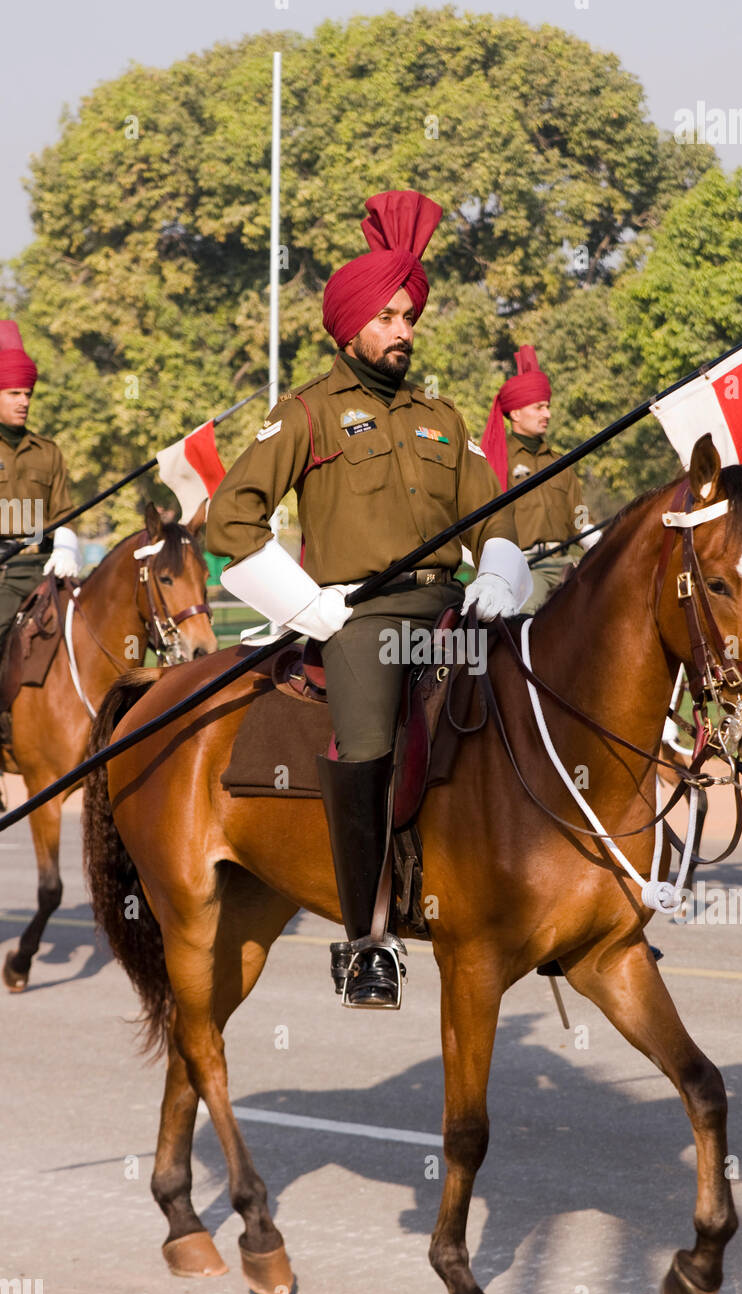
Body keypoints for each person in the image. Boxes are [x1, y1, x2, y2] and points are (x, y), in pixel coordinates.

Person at [207, 190, 530, 1008]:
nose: (402, 331)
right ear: (350, 325)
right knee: (369, 743)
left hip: (452, 615)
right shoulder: (308, 414)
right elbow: (230, 518)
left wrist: (495, 569)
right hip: (364, 621)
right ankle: (365, 942)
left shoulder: (443, 420)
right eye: (387, 318)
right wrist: (306, 604)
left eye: (408, 317)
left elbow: (494, 516)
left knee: (540, 689)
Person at [481, 345, 595, 613]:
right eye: (540, 407)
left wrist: (604, 543)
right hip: (525, 567)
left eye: (548, 407)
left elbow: (580, 520)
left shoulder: (560, 462)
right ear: (516, 413)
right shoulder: (495, 461)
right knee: (525, 617)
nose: (548, 414)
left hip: (569, 563)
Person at [0, 321, 80, 662]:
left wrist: (65, 547)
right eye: (14, 394)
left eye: (27, 394)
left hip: (44, 568)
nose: (23, 402)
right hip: (3, 573)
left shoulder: (48, 451)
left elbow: (64, 511)